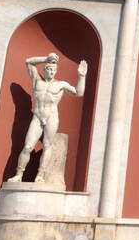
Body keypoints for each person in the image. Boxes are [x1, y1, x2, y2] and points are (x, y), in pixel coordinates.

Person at [8, 52, 87, 183]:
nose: (51, 71)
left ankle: (40, 175)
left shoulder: (61, 85)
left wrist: (81, 76)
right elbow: (28, 61)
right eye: (49, 68)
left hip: (51, 116)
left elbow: (79, 92)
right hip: (37, 116)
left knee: (47, 145)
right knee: (28, 146)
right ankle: (19, 175)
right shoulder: (37, 80)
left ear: (56, 71)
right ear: (44, 69)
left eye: (53, 69)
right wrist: (46, 58)